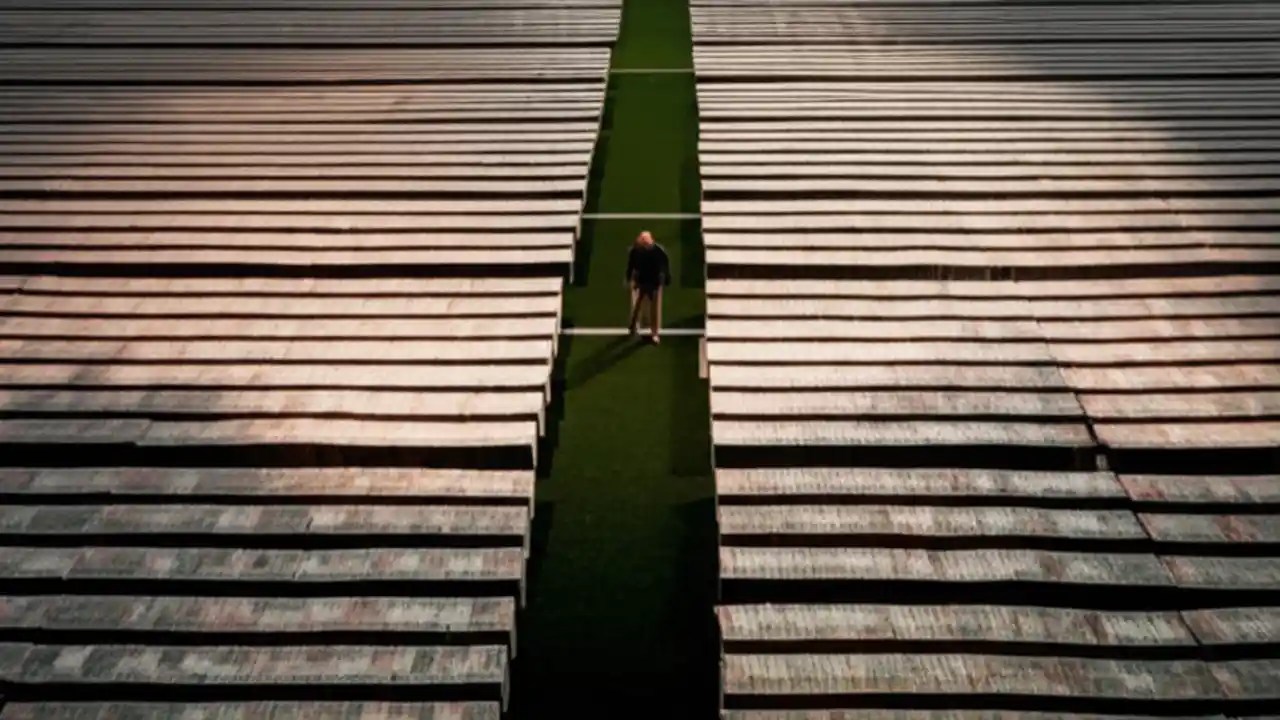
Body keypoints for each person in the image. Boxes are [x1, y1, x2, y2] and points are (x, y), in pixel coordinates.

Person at [625, 230, 670, 344]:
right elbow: (631, 265)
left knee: (654, 308)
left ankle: (654, 332)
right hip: (641, 281)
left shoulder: (658, 251)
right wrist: (630, 278)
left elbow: (665, 266)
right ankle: (633, 325)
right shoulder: (636, 251)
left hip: (654, 281)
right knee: (637, 304)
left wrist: (666, 278)